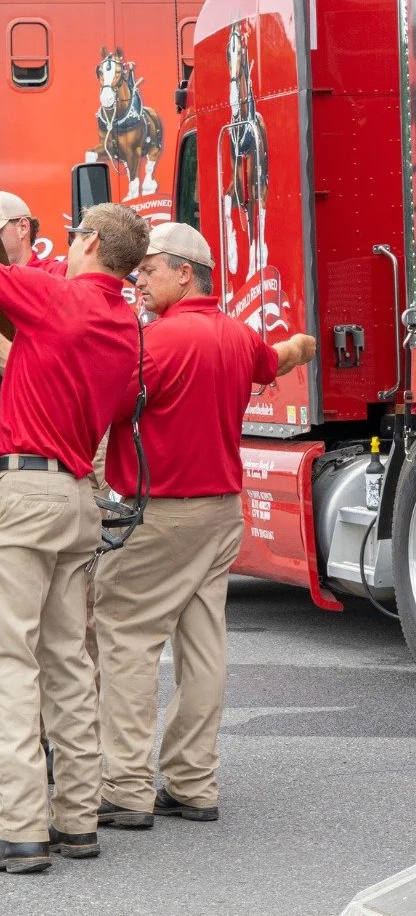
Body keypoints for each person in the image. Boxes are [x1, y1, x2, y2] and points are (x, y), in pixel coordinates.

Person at [0, 202, 150, 873]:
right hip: (78, 497)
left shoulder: (57, 295)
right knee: (67, 665)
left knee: (7, 662)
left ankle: (21, 826)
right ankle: (76, 820)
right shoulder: (120, 323)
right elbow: (30, 360)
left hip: (26, 496)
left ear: (87, 243)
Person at [93, 222, 316, 829]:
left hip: (163, 510)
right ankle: (192, 782)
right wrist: (301, 345)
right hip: (221, 510)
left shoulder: (156, 344)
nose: (138, 278)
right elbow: (274, 359)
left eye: (149, 269)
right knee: (203, 644)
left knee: (126, 636)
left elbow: (102, 405)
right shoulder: (237, 336)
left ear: (184, 273)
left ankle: (126, 787)